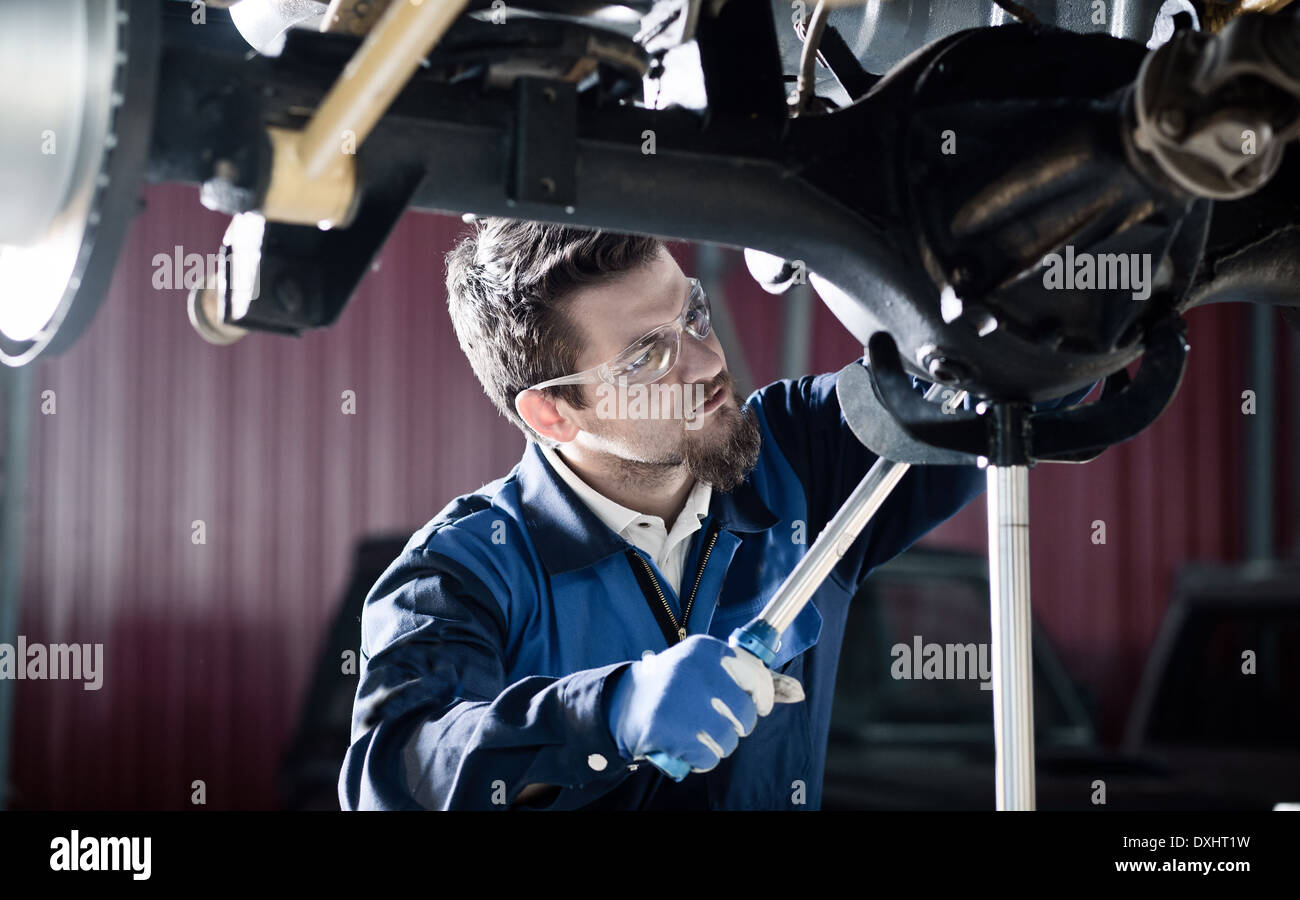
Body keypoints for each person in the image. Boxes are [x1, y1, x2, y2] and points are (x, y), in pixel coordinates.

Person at [339, 218, 1089, 810]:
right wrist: (611, 715)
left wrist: (1076, 297)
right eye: (645, 358)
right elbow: (393, 778)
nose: (705, 363)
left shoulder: (801, 458)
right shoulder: (466, 571)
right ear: (552, 412)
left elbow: (1001, 381)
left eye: (693, 316)